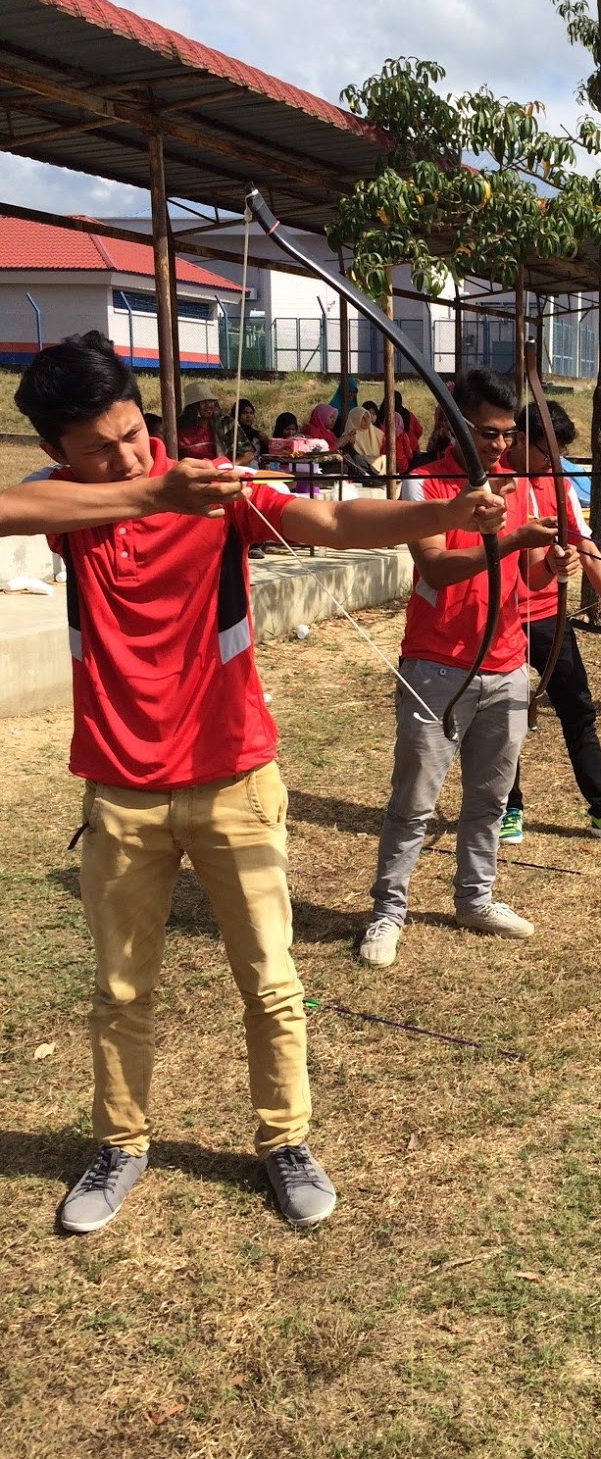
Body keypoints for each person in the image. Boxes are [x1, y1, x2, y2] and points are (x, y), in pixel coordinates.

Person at [2, 331, 504, 1235]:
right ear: (56, 455)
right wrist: (143, 489)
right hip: (120, 788)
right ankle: (121, 1143)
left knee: (270, 981)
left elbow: (338, 524)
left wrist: (446, 514)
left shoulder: (214, 491)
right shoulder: (65, 506)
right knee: (120, 991)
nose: (126, 456)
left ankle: (285, 1141)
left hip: (236, 776)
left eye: (133, 434)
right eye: (97, 451)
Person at [361, 366, 574, 969]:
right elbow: (436, 569)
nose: (500, 446)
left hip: (506, 662)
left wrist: (551, 566)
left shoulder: (519, 486)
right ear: (454, 425)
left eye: (507, 435)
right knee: (415, 802)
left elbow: (526, 579)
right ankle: (388, 910)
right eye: (486, 432)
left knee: (490, 798)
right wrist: (507, 540)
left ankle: (475, 897)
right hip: (437, 664)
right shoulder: (424, 487)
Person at [500, 400, 601, 844]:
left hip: (547, 614)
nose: (553, 461)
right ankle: (508, 809)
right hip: (500, 617)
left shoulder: (558, 480)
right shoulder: (494, 482)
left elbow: (585, 547)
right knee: (504, 716)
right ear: (519, 439)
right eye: (546, 450)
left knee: (578, 710)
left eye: (559, 451)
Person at [176, 381, 219, 461]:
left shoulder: (220, 428)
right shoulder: (181, 435)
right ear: (192, 407)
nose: (208, 405)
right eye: (203, 402)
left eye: (210, 401)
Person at [340, 405, 386, 478]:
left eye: (367, 417)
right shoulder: (350, 435)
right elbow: (354, 457)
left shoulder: (378, 433)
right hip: (361, 465)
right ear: (355, 419)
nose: (366, 420)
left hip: (376, 461)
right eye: (362, 418)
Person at [218, 399, 265, 466]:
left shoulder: (258, 435)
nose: (248, 416)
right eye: (245, 413)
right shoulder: (230, 432)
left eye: (251, 413)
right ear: (237, 414)